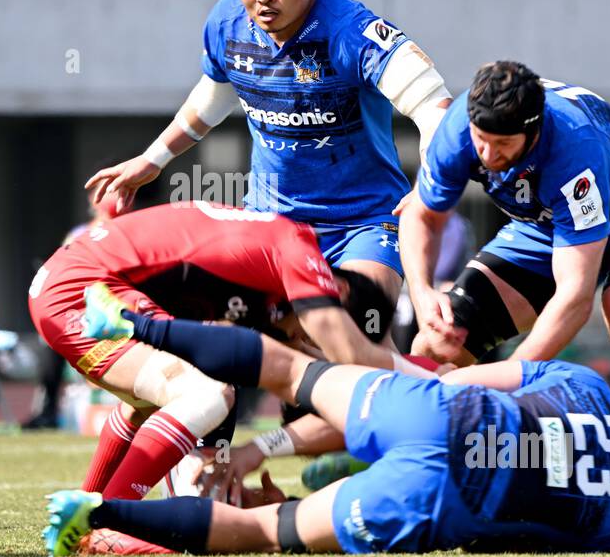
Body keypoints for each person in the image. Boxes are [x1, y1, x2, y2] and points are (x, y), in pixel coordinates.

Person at [44, 300, 610, 557]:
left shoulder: (583, 385)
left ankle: (135, 326)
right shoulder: (608, 525)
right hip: (437, 495)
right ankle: (98, 512)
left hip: (435, 410)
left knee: (287, 370)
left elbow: (461, 380)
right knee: (264, 533)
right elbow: (502, 544)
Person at [85, 0, 453, 308]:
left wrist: (428, 187)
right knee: (237, 336)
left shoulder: (353, 33)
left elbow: (435, 105)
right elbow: (216, 95)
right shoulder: (227, 23)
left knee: (358, 328)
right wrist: (154, 159)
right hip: (271, 220)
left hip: (363, 222)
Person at [399, 61, 610, 549]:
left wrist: (514, 381)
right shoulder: (458, 128)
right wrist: (422, 291)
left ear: (533, 133)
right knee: (438, 338)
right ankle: (421, 472)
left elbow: (574, 297)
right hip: (545, 224)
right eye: (481, 141)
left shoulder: (572, 148)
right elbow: (421, 216)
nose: (488, 155)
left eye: (504, 146)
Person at [27, 201, 417, 506]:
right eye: (315, 334)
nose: (305, 342)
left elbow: (275, 358)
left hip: (71, 281)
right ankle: (110, 517)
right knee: (206, 394)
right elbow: (346, 354)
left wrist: (227, 459)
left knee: (152, 396)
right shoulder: (300, 251)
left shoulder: (262, 278)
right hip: (85, 291)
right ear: (338, 294)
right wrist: (427, 376)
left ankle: (90, 505)